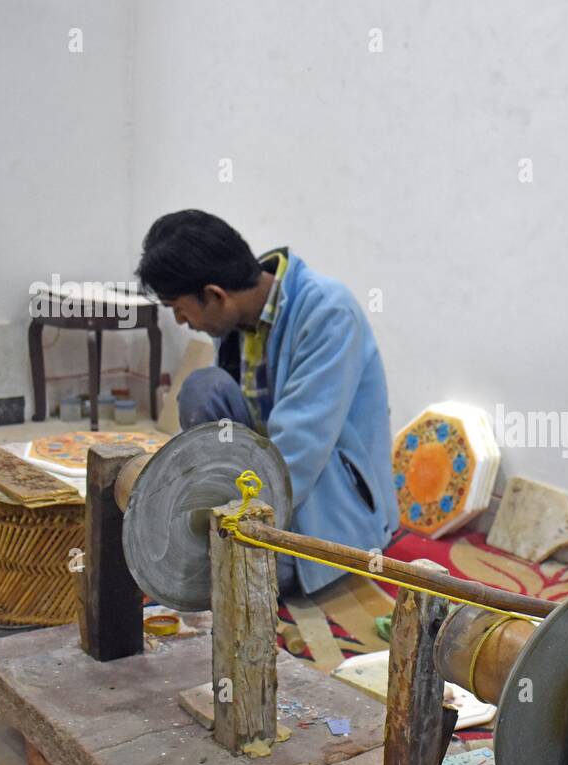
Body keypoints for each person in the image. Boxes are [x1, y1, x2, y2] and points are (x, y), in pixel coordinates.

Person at [136, 210, 399, 596]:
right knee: (203, 388)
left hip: (330, 503)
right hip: (269, 481)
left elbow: (300, 451)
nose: (181, 322)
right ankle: (240, 534)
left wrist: (232, 535)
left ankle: (262, 545)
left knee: (222, 573)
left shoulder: (328, 312)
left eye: (180, 309)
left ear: (214, 295)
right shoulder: (236, 320)